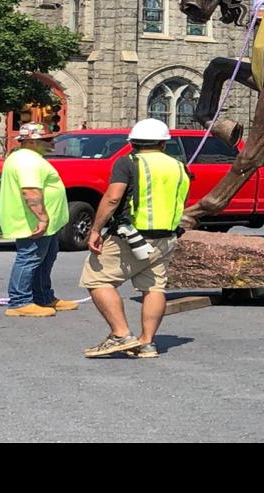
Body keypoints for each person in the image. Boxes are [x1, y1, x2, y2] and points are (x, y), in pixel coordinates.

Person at [80, 118, 190, 359]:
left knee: (97, 279)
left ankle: (121, 334)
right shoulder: (178, 166)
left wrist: (96, 229)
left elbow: (113, 197)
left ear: (132, 143)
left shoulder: (128, 162)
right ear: (163, 143)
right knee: (154, 287)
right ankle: (147, 343)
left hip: (130, 235)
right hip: (166, 236)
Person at [0, 122, 78, 317]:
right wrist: (41, 218)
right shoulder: (28, 161)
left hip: (45, 223)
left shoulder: (27, 158)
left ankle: (43, 296)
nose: (52, 142)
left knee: (44, 259)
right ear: (32, 142)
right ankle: (19, 301)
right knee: (29, 259)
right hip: (33, 222)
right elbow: (30, 191)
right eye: (47, 139)